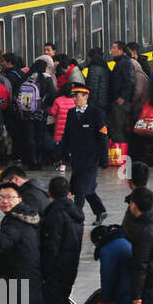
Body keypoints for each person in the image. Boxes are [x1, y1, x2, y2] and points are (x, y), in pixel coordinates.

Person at [37, 176, 82, 304]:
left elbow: (50, 250)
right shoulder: (76, 214)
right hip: (68, 274)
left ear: (49, 194)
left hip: (54, 277)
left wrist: (44, 275)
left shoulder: (54, 215)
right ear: (69, 193)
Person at [59, 84, 109, 226]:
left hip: (91, 158)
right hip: (77, 158)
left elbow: (103, 137)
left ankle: (77, 219)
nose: (74, 98)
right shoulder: (71, 113)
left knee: (80, 190)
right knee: (85, 188)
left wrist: (104, 158)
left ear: (86, 96)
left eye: (77, 95)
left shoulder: (96, 113)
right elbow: (67, 135)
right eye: (73, 96)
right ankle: (100, 211)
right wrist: (61, 153)